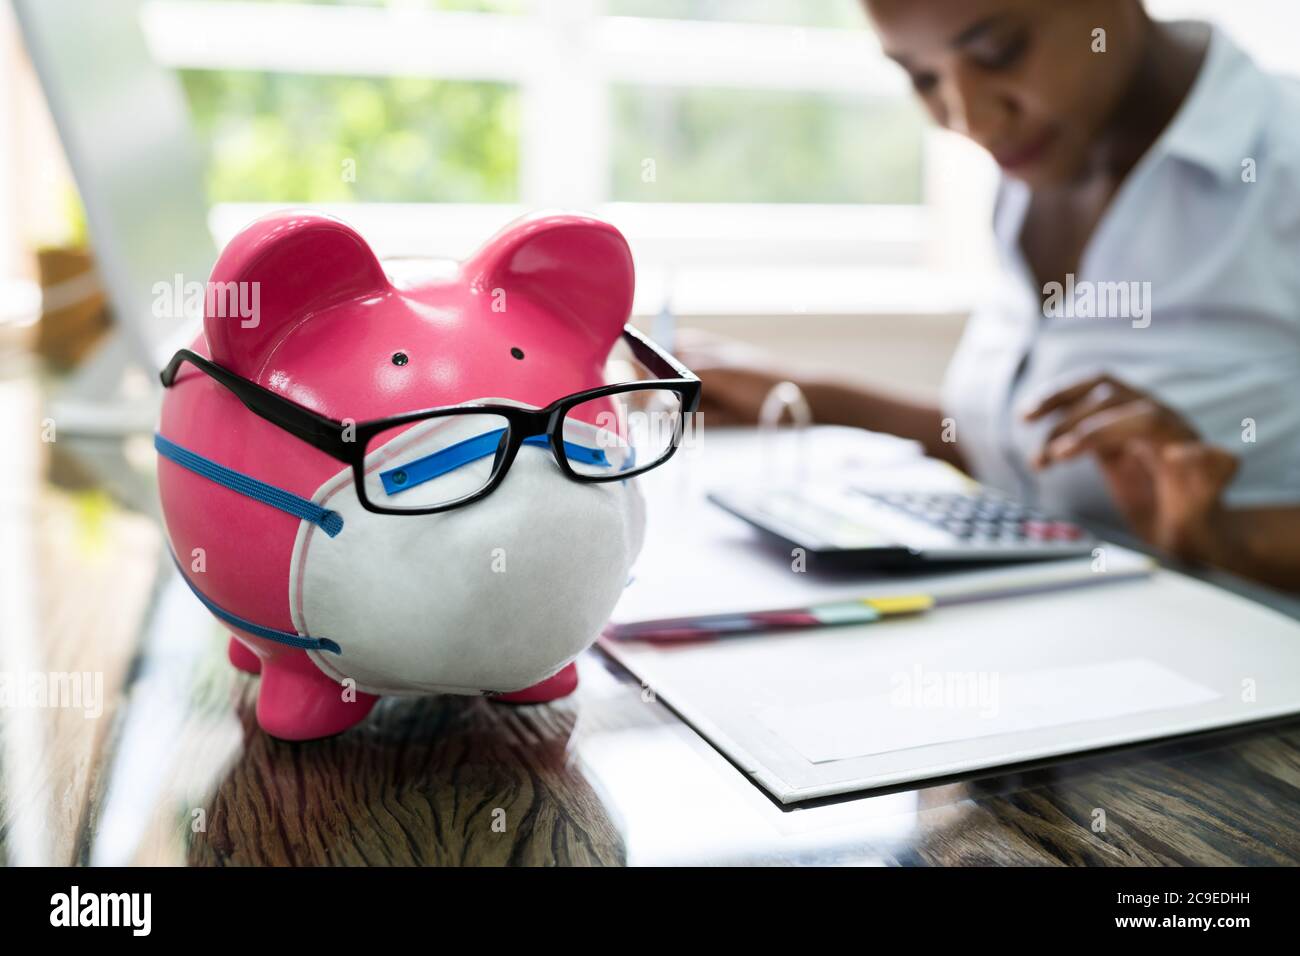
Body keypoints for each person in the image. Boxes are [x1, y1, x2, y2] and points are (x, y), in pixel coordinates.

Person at [689, 0, 1300, 592]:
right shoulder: (1037, 170)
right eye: (923, 78)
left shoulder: (1281, 160)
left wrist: (1228, 537)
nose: (971, 122)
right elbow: (1028, 453)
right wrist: (805, 396)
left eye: (999, 51)